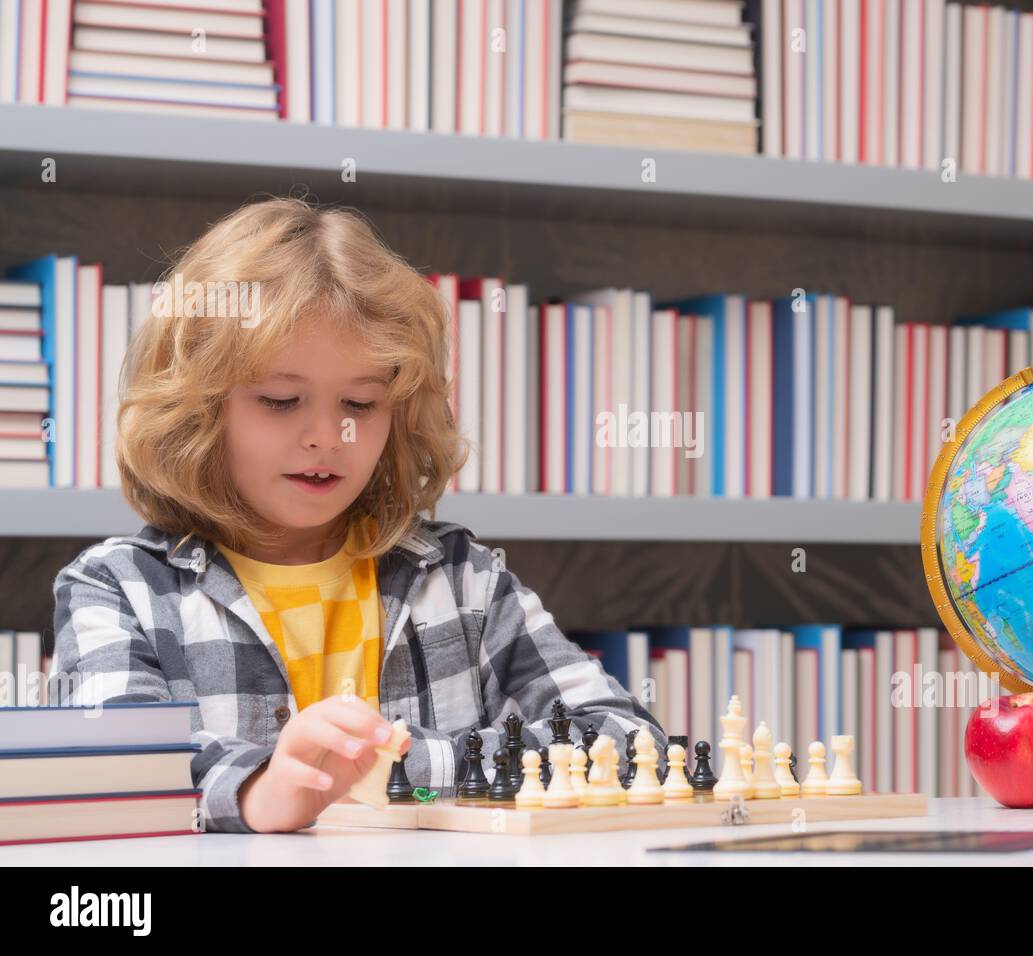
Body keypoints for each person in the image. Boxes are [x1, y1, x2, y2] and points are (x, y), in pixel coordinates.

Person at [51, 196, 666, 833]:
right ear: (199, 410)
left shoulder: (462, 582)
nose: (328, 433)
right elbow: (115, 771)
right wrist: (259, 789)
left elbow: (625, 736)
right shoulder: (116, 589)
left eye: (361, 402)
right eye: (282, 400)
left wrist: (395, 765)